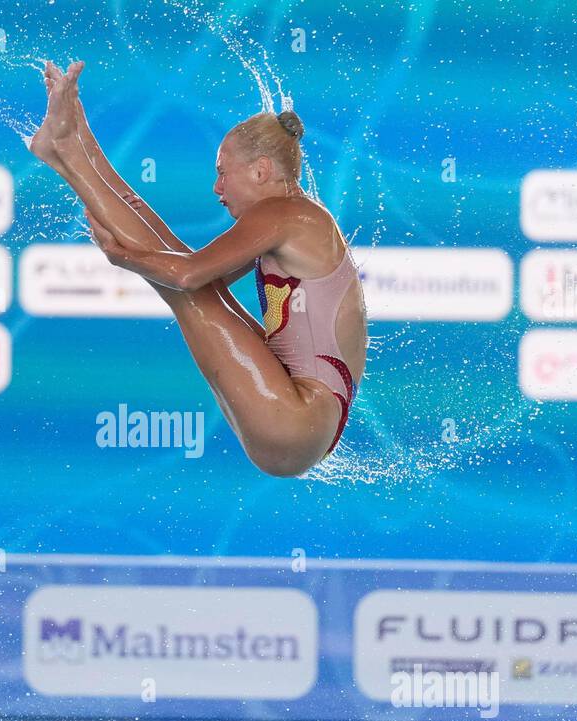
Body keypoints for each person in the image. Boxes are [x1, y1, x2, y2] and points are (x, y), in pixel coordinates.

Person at [29, 60, 367, 477]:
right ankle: (69, 146)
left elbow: (186, 276)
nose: (217, 189)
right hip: (305, 423)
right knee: (191, 285)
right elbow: (194, 272)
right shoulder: (297, 217)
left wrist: (124, 259)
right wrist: (83, 132)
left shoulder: (282, 214)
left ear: (262, 170)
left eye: (224, 173)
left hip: (293, 421)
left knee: (188, 291)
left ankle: (66, 155)